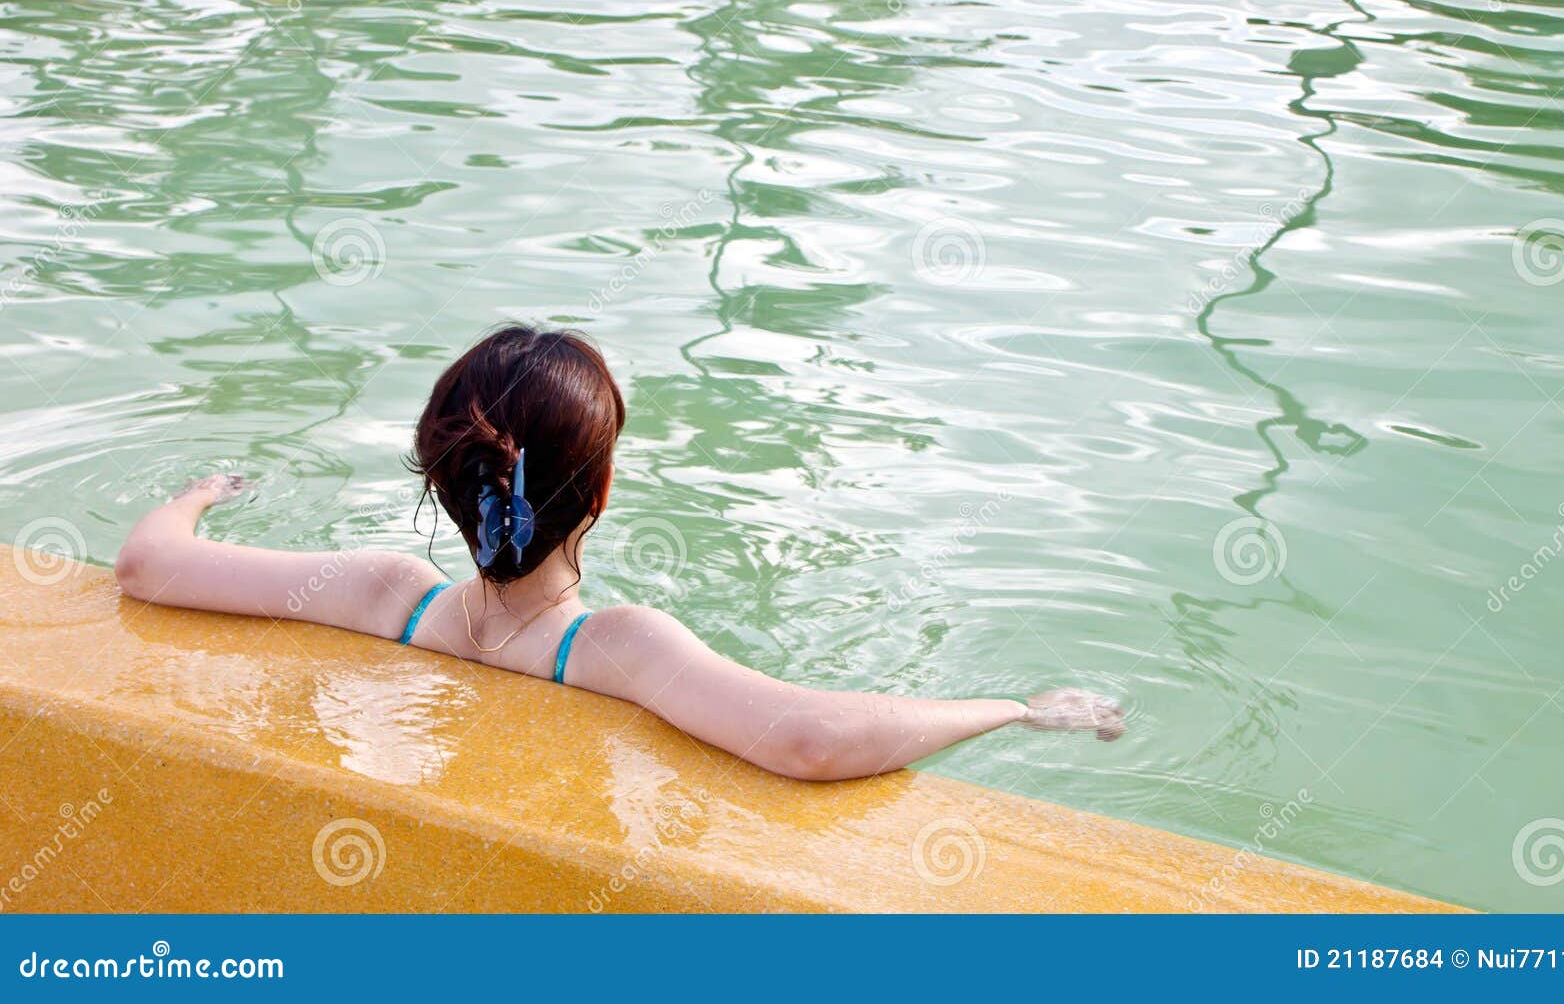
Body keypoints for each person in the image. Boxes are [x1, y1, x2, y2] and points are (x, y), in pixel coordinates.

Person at [115, 324, 1125, 780]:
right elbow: (812, 738)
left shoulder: (385, 592)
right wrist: (1018, 707)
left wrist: (197, 494)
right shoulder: (616, 648)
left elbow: (148, 568)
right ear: (598, 491)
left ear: (441, 477)